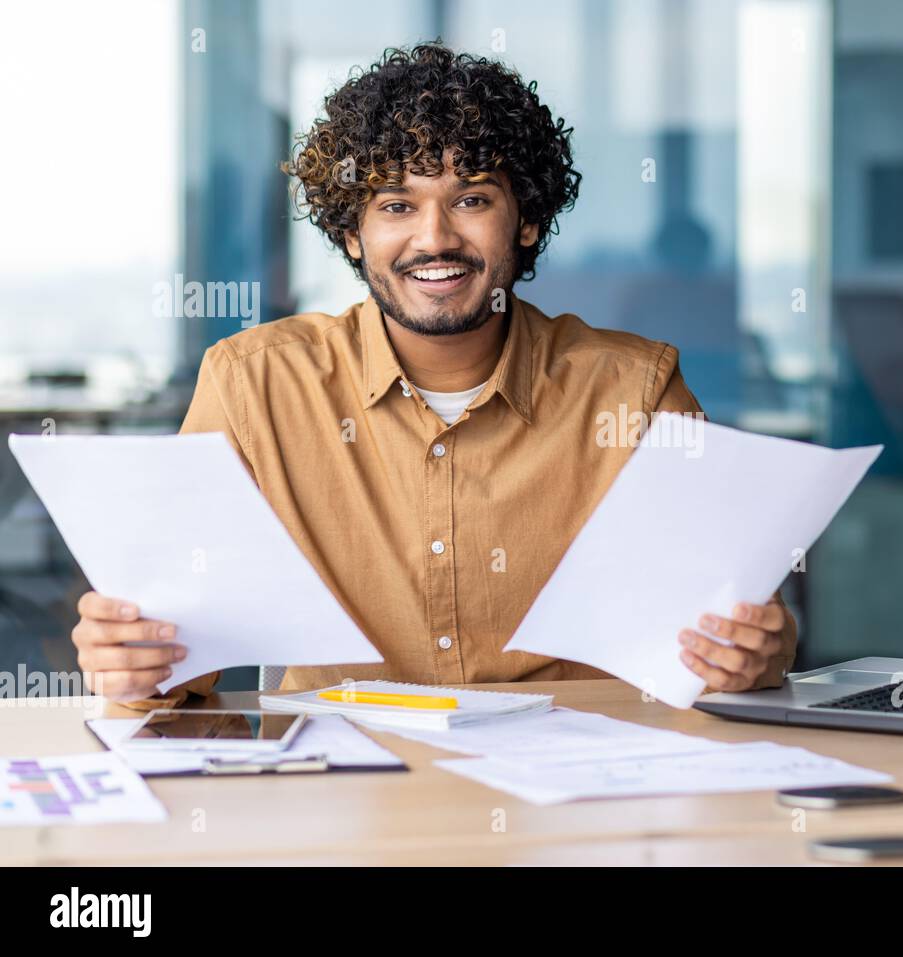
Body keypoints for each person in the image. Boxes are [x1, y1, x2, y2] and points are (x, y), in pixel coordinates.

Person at [70, 41, 796, 708]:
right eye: (396, 205)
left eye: (472, 198)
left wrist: (755, 654)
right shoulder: (254, 385)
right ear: (352, 234)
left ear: (527, 220)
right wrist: (134, 660)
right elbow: (178, 659)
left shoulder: (632, 391)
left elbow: (733, 628)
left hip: (584, 803)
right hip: (345, 802)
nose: (436, 238)